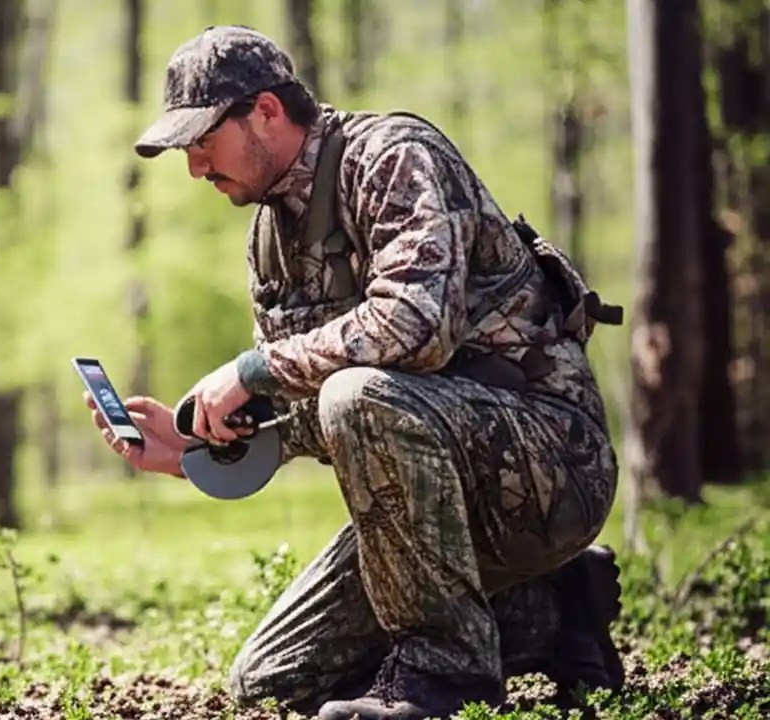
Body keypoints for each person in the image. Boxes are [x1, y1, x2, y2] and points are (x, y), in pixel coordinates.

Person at [83, 25, 627, 720]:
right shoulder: (270, 237)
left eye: (201, 143)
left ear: (267, 112)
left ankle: (444, 679)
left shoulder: (393, 158)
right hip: (430, 511)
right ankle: (556, 609)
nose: (195, 168)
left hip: (553, 466)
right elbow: (320, 415)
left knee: (356, 392)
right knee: (272, 680)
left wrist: (252, 369)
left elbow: (415, 329)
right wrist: (198, 451)